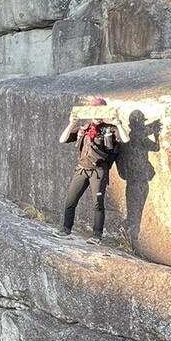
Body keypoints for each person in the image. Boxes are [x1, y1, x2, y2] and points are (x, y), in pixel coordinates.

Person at [59, 96, 129, 241]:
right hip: (82, 169)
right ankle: (65, 230)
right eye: (95, 111)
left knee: (98, 204)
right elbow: (62, 139)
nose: (98, 116)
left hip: (98, 171)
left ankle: (96, 235)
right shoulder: (83, 129)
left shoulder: (109, 129)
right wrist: (71, 124)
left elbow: (125, 139)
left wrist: (118, 123)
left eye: (101, 112)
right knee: (70, 201)